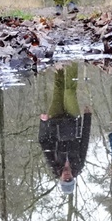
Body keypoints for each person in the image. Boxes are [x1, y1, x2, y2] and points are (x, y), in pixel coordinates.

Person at [39, 64, 91, 195]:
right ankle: (72, 62)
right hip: (74, 122)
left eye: (65, 179)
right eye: (70, 179)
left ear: (61, 179)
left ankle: (59, 65)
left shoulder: (54, 165)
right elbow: (84, 141)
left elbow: (43, 141)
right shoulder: (78, 165)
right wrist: (88, 117)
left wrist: (43, 123)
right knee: (69, 92)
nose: (67, 176)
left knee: (58, 90)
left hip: (55, 123)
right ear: (73, 178)